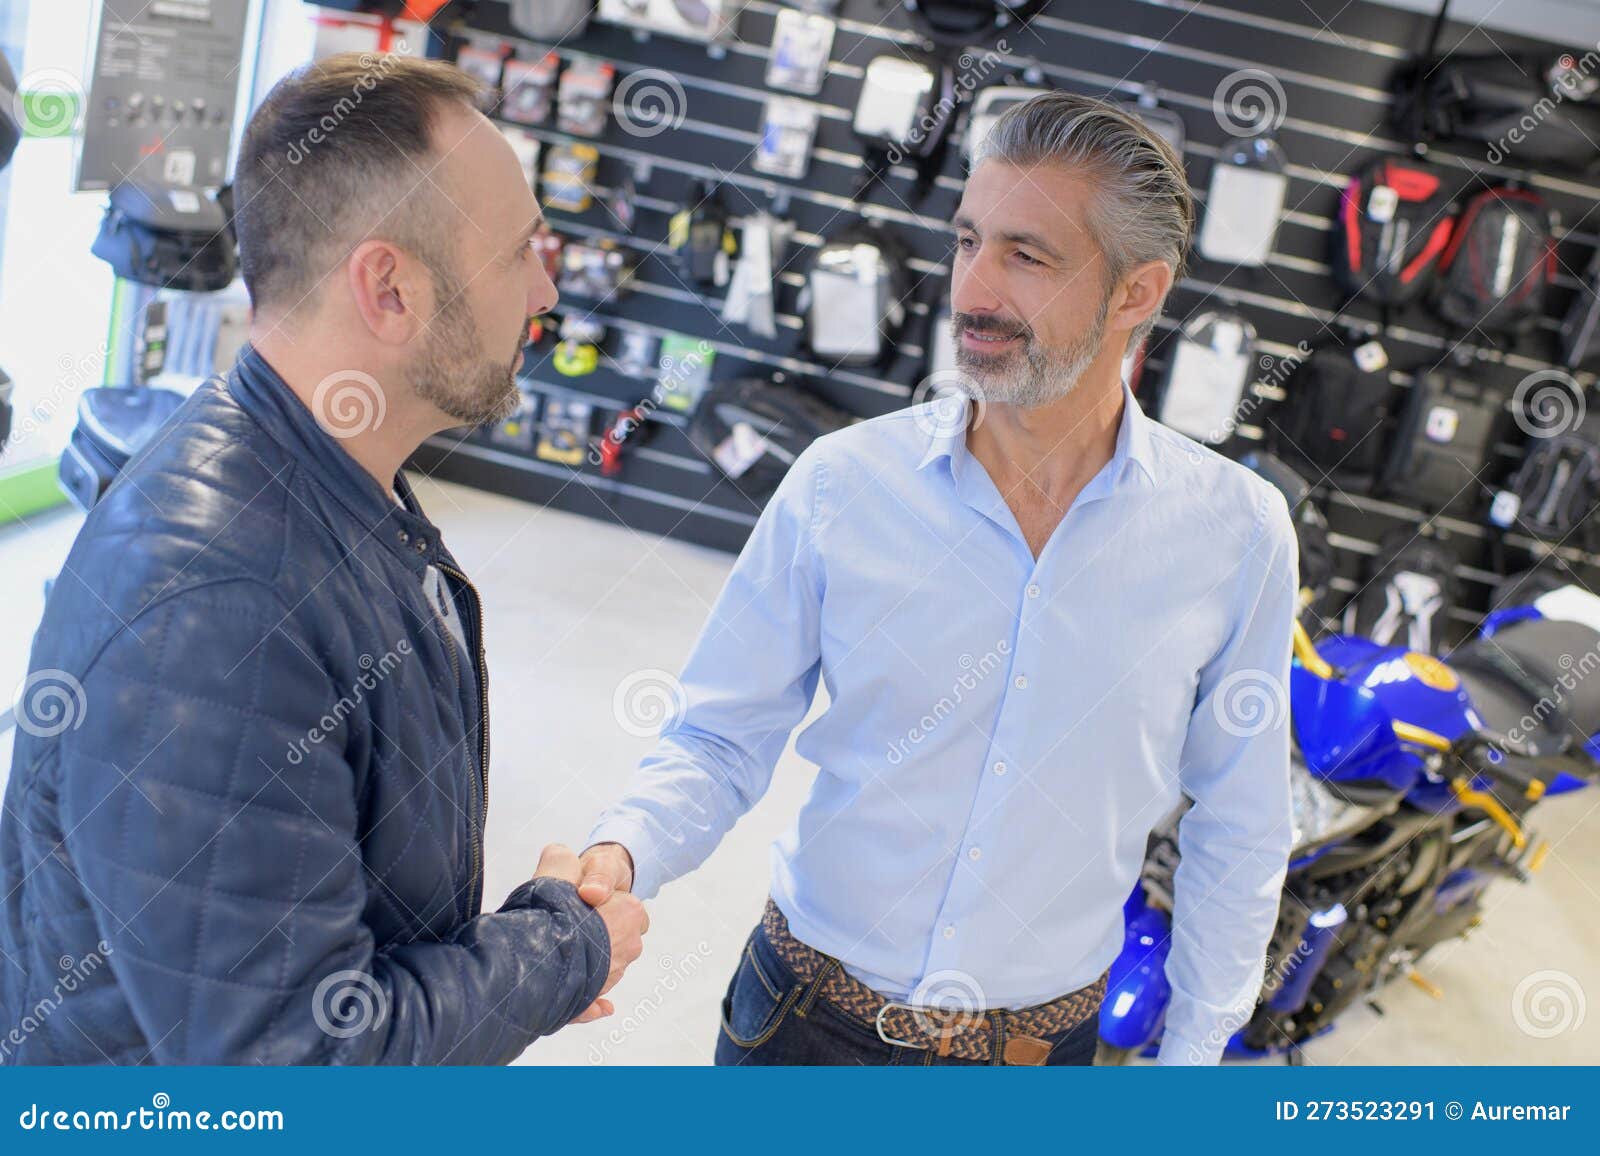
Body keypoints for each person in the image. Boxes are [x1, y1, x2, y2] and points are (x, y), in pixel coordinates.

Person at [576, 92, 1298, 1066]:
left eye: (1026, 255)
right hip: (799, 1029)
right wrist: (619, 856)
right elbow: (718, 732)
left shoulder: (1233, 533)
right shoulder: (841, 482)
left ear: (1138, 292)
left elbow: (1240, 820)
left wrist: (1197, 1053)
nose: (974, 288)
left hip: (1030, 1059)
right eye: (968, 241)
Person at [0, 54, 646, 1065]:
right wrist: (563, 946)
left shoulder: (340, 485)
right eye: (519, 251)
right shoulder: (216, 602)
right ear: (388, 288)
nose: (546, 290)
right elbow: (293, 1061)